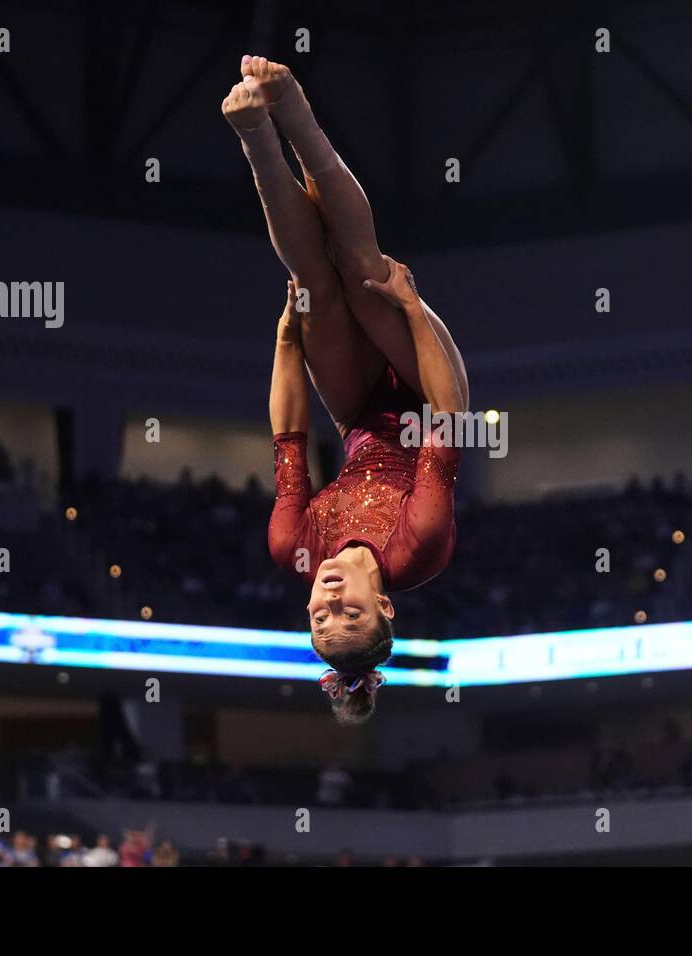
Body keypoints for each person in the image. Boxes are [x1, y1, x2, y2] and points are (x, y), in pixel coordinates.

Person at [222, 56, 469, 725]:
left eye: (322, 615)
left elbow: (289, 439)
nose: (330, 596)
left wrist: (285, 343)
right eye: (349, 611)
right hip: (430, 397)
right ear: (384, 605)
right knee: (363, 273)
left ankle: (256, 136)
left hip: (357, 408)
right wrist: (414, 309)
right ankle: (294, 109)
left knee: (313, 287)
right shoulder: (419, 546)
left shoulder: (294, 547)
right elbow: (449, 422)